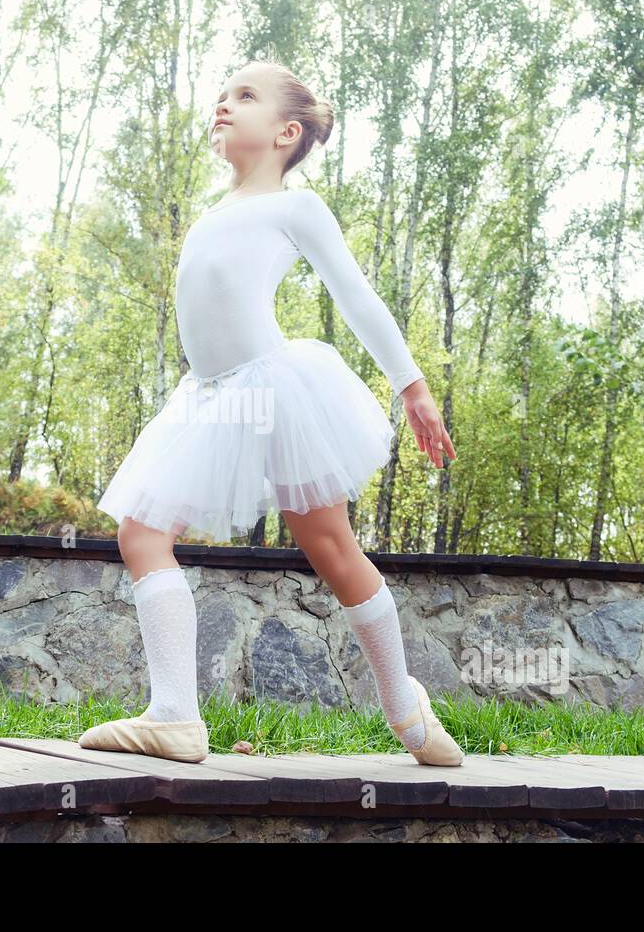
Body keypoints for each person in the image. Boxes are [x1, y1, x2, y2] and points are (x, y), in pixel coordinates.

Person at [80, 60, 463, 766]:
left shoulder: (295, 208)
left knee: (330, 547)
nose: (223, 105)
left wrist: (412, 386)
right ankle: (174, 716)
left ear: (287, 132)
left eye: (244, 97)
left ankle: (405, 706)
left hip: (273, 385)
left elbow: (357, 298)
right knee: (141, 531)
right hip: (209, 393)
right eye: (222, 95)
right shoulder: (212, 211)